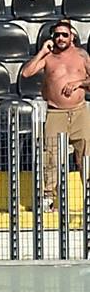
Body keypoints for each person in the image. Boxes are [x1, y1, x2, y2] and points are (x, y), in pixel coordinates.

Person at [20, 18, 90, 212]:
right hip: (55, 112)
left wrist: (79, 83)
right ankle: (48, 197)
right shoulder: (48, 57)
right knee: (51, 155)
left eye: (64, 35)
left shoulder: (82, 56)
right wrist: (42, 51)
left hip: (79, 112)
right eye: (57, 34)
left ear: (72, 36)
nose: (60, 38)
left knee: (86, 154)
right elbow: (26, 73)